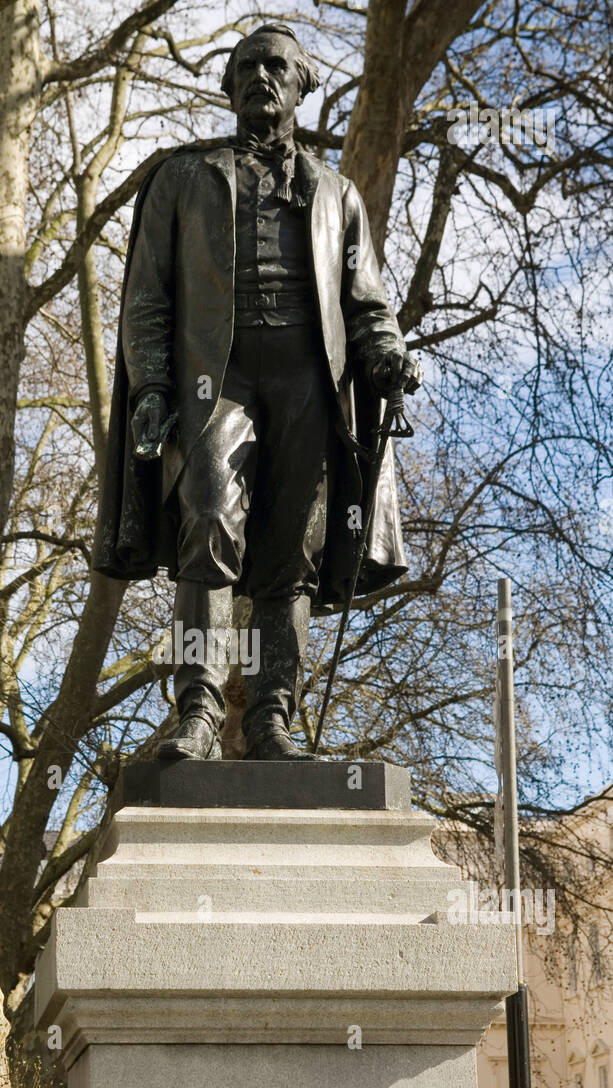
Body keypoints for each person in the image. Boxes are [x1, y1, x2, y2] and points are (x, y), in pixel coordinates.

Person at [93, 22, 421, 760]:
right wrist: (150, 382)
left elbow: (368, 305)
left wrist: (389, 359)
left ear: (302, 86)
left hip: (310, 378)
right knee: (205, 519)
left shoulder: (335, 192)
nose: (259, 77)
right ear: (228, 87)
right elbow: (145, 297)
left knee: (290, 552)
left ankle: (272, 716)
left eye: (275, 66)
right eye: (244, 67)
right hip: (219, 377)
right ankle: (198, 712)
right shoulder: (179, 178)